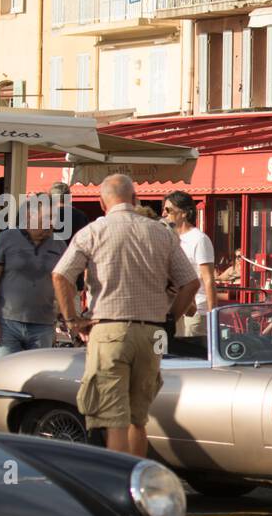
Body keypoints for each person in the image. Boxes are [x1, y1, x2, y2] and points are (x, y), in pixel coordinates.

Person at [51, 174, 199, 456]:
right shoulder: (161, 233)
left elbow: (60, 275)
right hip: (152, 332)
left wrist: (72, 320)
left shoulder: (93, 232)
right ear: (134, 198)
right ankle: (136, 481)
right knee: (137, 419)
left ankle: (116, 482)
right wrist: (170, 318)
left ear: (101, 202)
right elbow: (190, 282)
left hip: (110, 329)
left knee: (112, 419)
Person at [0, 189, 69, 359]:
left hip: (43, 324)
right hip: (7, 322)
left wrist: (67, 316)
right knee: (5, 375)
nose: (50, 224)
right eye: (46, 218)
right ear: (30, 215)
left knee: (37, 377)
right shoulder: (7, 239)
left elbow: (66, 284)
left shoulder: (59, 245)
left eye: (53, 219)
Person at [163, 191, 215, 337]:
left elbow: (209, 279)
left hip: (196, 311)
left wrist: (212, 316)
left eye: (168, 209)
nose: (164, 213)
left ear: (184, 213)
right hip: (174, 310)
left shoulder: (199, 239)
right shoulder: (169, 237)